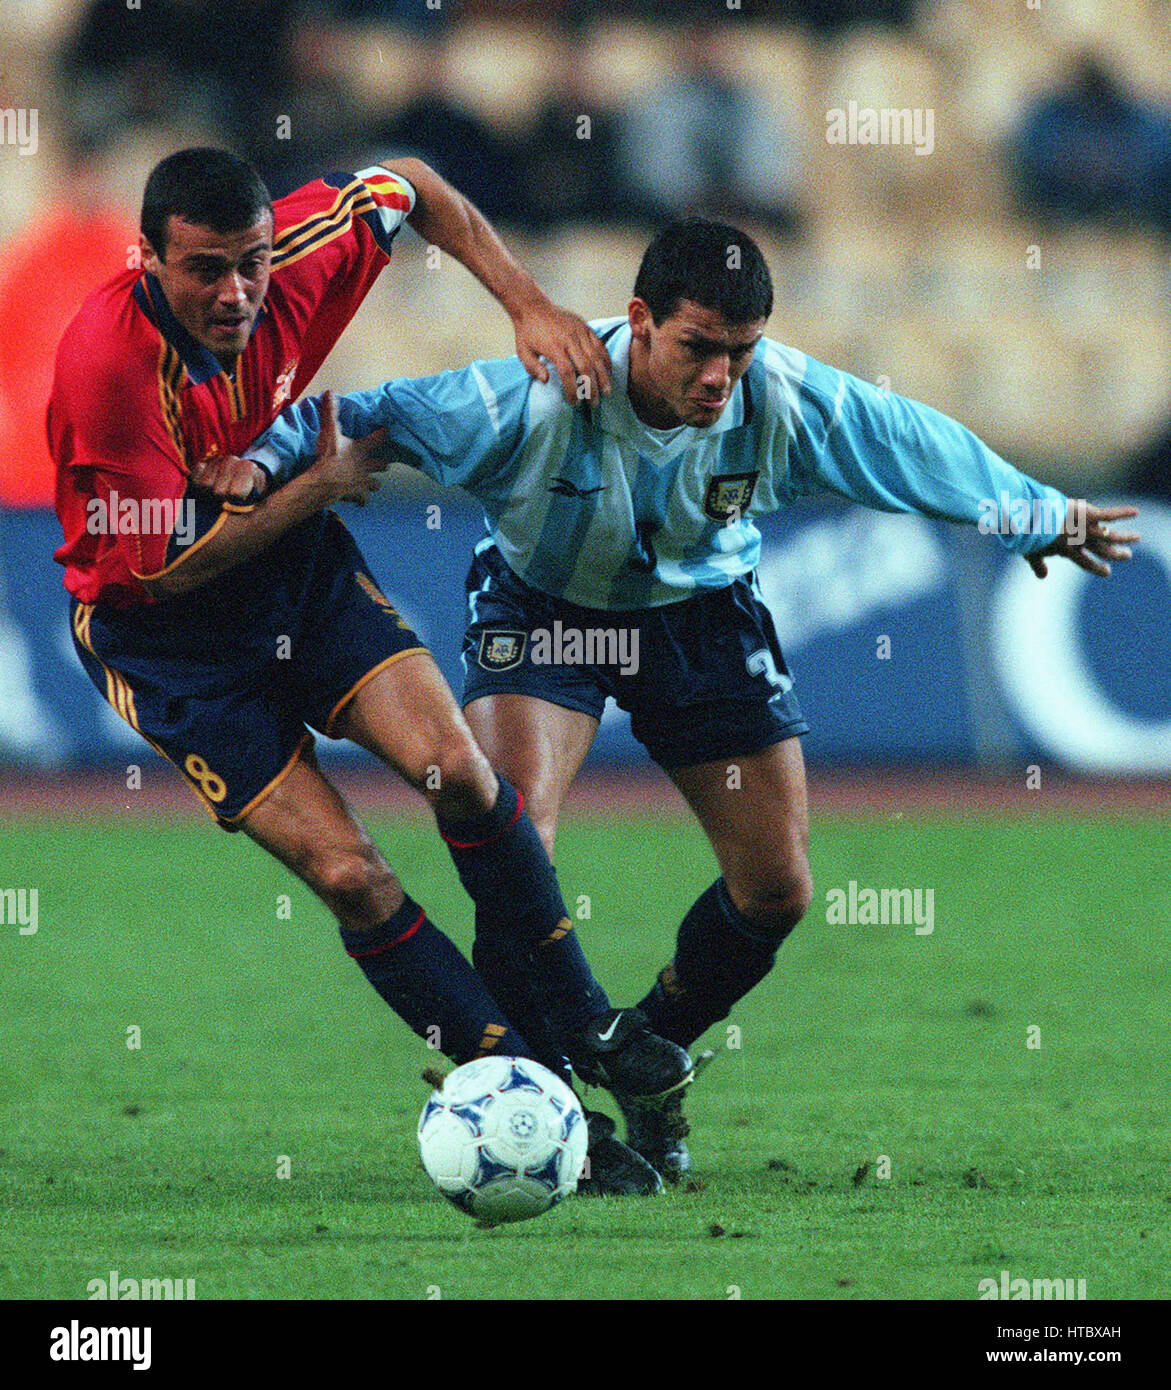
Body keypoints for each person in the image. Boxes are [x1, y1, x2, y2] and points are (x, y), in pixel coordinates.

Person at [243, 217, 1140, 1180]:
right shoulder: (534, 396)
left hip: (700, 619)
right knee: (516, 848)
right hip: (545, 612)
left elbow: (905, 440)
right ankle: (542, 1099)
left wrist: (1034, 513)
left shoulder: (776, 398)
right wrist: (255, 469)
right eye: (699, 348)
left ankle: (646, 1056)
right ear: (638, 321)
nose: (721, 376)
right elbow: (358, 412)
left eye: (740, 352)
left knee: (778, 890)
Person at [47, 147, 693, 1198]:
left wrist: (525, 304)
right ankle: (529, 1093)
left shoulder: (303, 252)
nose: (237, 292)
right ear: (150, 262)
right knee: (351, 875)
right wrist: (317, 484)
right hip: (165, 640)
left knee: (458, 769)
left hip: (292, 577)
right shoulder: (107, 366)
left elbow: (413, 184)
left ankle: (586, 1021)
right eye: (205, 269)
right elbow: (162, 575)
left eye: (250, 262)